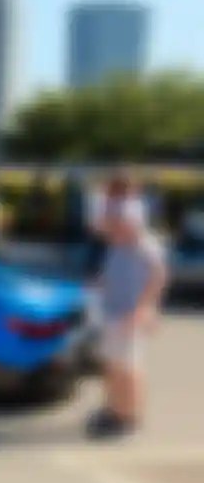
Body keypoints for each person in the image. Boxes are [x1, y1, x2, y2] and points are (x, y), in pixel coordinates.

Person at [88, 178, 168, 440]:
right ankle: (113, 409)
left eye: (116, 221)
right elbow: (113, 271)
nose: (109, 226)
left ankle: (130, 416)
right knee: (113, 364)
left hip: (130, 315)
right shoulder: (118, 246)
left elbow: (159, 276)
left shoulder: (145, 244)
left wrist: (145, 308)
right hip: (113, 312)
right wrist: (101, 283)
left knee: (129, 368)